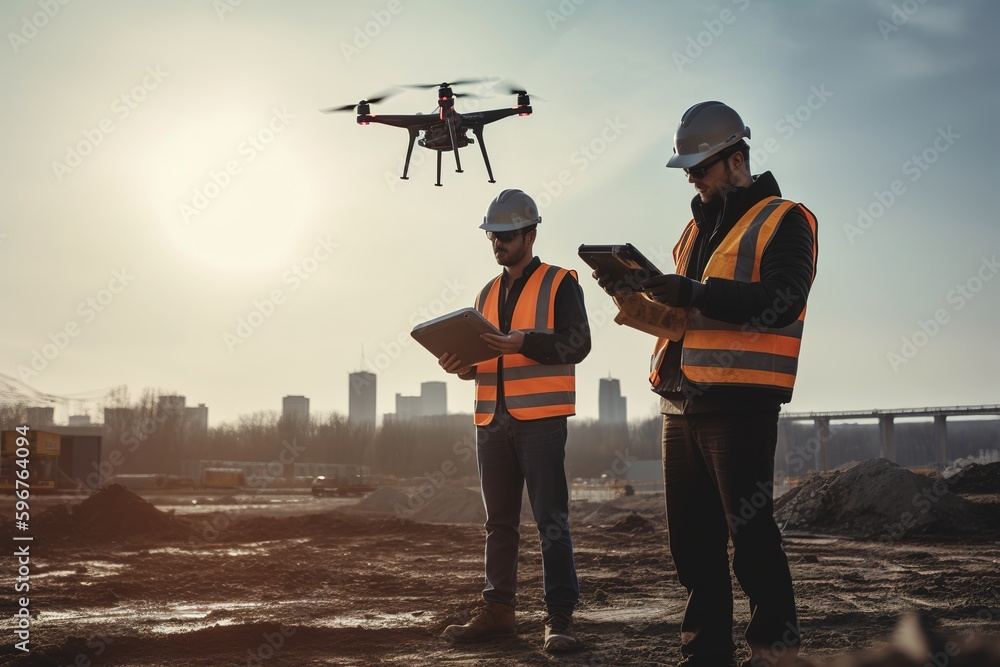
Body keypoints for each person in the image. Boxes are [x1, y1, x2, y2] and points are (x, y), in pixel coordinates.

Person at [595, 101, 818, 667]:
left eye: (700, 169)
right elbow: (682, 321)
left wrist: (693, 291)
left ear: (736, 160)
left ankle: (775, 653)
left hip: (740, 399)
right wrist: (633, 295)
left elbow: (784, 300)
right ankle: (706, 655)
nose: (691, 179)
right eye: (688, 171)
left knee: (752, 541)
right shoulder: (693, 231)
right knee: (692, 544)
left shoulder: (785, 219)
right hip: (681, 398)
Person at [439, 188, 591, 653]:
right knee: (498, 524)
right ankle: (498, 611)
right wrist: (461, 364)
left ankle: (559, 620)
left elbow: (577, 345)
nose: (499, 244)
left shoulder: (561, 282)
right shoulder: (486, 293)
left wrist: (526, 341)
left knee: (551, 522)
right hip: (491, 420)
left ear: (530, 233)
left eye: (506, 236)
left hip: (541, 420)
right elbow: (487, 361)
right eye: (493, 236)